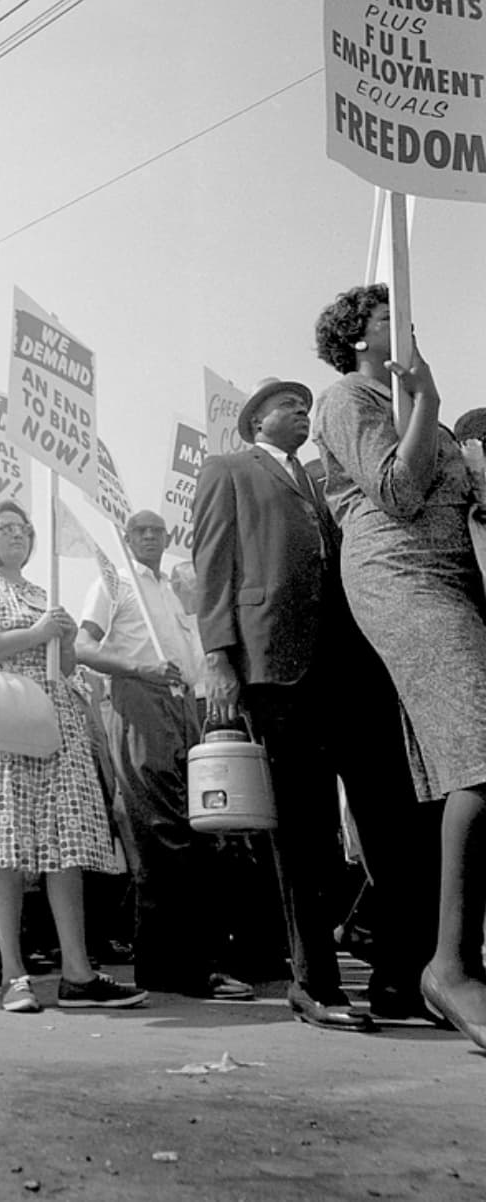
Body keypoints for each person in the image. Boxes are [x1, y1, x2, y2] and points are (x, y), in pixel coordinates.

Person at [195, 375, 437, 1033]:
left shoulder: (328, 481)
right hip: (277, 669)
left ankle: (401, 980)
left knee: (391, 825)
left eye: (306, 406)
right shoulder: (229, 470)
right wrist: (220, 657)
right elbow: (212, 565)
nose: (302, 413)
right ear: (255, 421)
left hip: (353, 667)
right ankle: (316, 984)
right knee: (305, 836)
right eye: (286, 405)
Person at [313, 287, 486, 1048]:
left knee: (465, 760)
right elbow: (396, 489)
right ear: (357, 337)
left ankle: (450, 960)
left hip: (457, 580)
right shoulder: (347, 396)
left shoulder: (422, 409)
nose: (408, 322)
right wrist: (429, 400)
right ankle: (449, 968)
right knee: (480, 759)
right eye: (392, 315)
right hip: (402, 578)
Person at [0, 499, 147, 1014]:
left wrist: (71, 666)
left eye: (23, 528)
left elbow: (65, 656)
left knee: (66, 842)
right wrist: (37, 633)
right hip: (2, 724)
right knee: (5, 845)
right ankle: (13, 973)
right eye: (5, 528)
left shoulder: (38, 592)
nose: (17, 535)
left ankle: (77, 971)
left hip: (56, 723)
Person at [75, 510, 252, 1002]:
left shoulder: (170, 592)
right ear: (126, 538)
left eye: (157, 531)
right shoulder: (113, 584)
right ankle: (175, 967)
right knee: (160, 834)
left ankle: (183, 963)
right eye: (141, 531)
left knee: (194, 833)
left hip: (180, 706)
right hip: (137, 699)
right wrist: (139, 666)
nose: (151, 537)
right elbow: (82, 645)